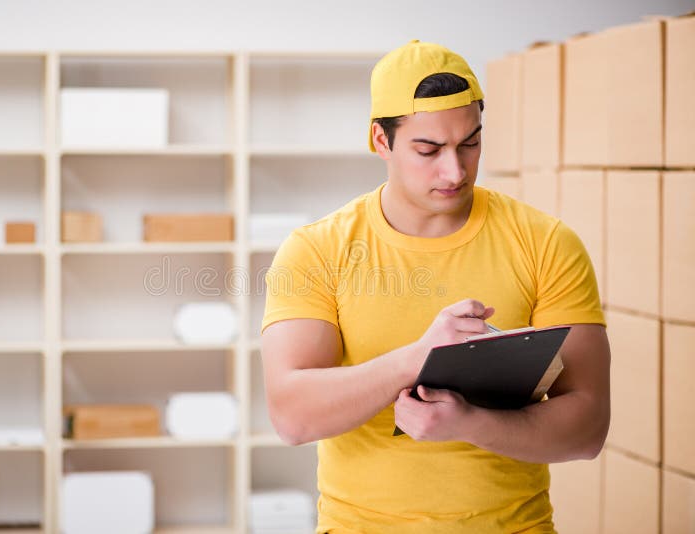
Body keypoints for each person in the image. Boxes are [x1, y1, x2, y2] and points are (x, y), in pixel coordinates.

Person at [260, 40, 610, 533]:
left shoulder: (546, 243)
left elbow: (588, 429)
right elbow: (292, 417)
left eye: (470, 143)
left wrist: (470, 423)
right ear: (381, 140)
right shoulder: (316, 250)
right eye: (428, 150)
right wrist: (417, 358)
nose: (455, 171)